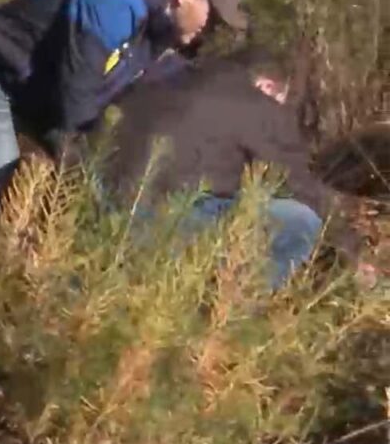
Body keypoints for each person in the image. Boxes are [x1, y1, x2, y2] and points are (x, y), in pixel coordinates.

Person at [0, 0, 250, 223]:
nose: (209, 32)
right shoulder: (113, 3)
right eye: (212, 20)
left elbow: (170, 91)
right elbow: (75, 106)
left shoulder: (159, 37)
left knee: (56, 199)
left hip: (43, 94)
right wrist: (85, 179)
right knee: (1, 195)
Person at [97, 47, 368, 290]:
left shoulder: (165, 80)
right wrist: (352, 250)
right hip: (163, 225)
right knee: (300, 219)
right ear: (267, 86)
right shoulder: (256, 105)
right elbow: (303, 184)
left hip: (105, 218)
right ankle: (234, 313)